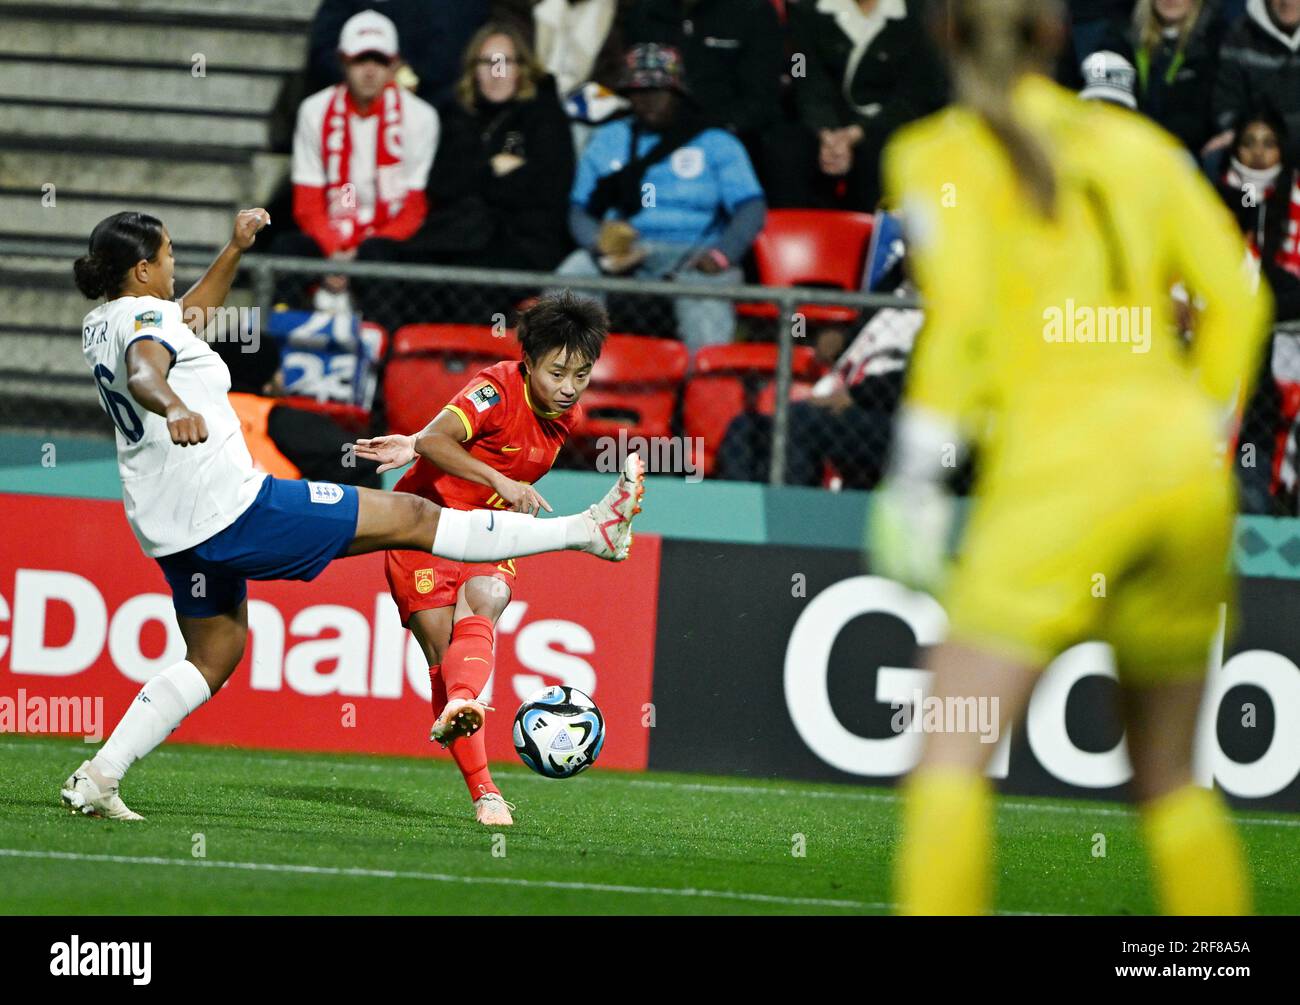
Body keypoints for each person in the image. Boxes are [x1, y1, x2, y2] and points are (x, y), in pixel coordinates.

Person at [870, 0, 1271, 915]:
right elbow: (1239, 303)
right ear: (1058, 37)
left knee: (947, 762)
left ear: (943, 36)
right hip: (1182, 478)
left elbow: (963, 326)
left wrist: (918, 474)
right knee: (1171, 778)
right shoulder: (1145, 153)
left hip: (1056, 477)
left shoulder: (933, 156)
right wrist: (1196, 436)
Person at [63, 210, 646, 821]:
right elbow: (146, 370)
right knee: (414, 515)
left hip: (169, 525)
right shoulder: (145, 326)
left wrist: (235, 250)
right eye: (171, 255)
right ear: (143, 268)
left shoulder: (105, 320)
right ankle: (588, 532)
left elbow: (189, 319)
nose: (178, 265)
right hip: (232, 505)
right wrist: (175, 404)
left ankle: (100, 775)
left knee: (216, 653)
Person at [352, 293, 623, 826]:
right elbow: (441, 438)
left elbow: (441, 438)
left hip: (490, 533)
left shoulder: (566, 415)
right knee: (442, 658)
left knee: (488, 599)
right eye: (558, 372)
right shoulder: (498, 385)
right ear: (530, 362)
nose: (569, 387)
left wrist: (424, 444)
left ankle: (483, 780)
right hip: (424, 526)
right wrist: (448, 456)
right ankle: (481, 783)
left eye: (582, 375)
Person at [557, 43, 767, 351]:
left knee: (705, 306)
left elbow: (751, 207)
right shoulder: (609, 138)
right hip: (624, 251)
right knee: (570, 281)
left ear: (679, 93)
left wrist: (722, 255)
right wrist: (598, 245)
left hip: (693, 255)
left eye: (659, 90)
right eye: (639, 92)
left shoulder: (715, 141)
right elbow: (578, 209)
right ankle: (562, 390)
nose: (649, 100)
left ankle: (706, 391)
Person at [272, 10, 440, 308]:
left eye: (380, 60)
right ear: (343, 62)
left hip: (385, 238)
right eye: (361, 60)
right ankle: (285, 335)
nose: (370, 70)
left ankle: (382, 344)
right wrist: (335, 251)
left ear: (395, 64)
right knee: (288, 248)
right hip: (328, 232)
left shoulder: (421, 118)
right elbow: (308, 201)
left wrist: (357, 257)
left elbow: (413, 208)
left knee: (380, 255)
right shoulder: (314, 110)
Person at [771, 0, 947, 211]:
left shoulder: (922, 14)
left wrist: (858, 133)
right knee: (786, 147)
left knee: (885, 155)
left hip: (888, 122)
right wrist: (826, 132)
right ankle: (794, 236)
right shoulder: (805, 10)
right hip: (824, 122)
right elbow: (802, 73)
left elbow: (918, 93)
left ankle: (877, 236)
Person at [1209, 0, 1300, 163]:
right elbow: (1225, 105)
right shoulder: (1239, 34)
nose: (1288, 1)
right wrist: (1239, 132)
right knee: (1214, 157)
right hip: (1259, 147)